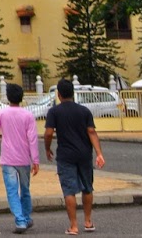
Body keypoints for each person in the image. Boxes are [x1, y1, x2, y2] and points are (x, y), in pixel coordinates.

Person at [44, 78, 105, 235]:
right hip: (85, 154)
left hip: (65, 155)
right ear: (73, 93)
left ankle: (73, 226)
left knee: (69, 190)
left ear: (58, 94)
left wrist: (47, 148)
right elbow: (91, 132)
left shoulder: (54, 112)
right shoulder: (84, 111)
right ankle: (88, 221)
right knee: (87, 187)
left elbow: (49, 133)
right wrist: (99, 153)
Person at [0, 82, 40, 234]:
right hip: (24, 159)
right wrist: (35, 160)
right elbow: (33, 139)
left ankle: (20, 220)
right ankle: (25, 216)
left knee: (11, 191)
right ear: (21, 98)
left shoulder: (1, 114)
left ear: (8, 98)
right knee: (25, 189)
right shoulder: (28, 115)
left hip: (8, 159)